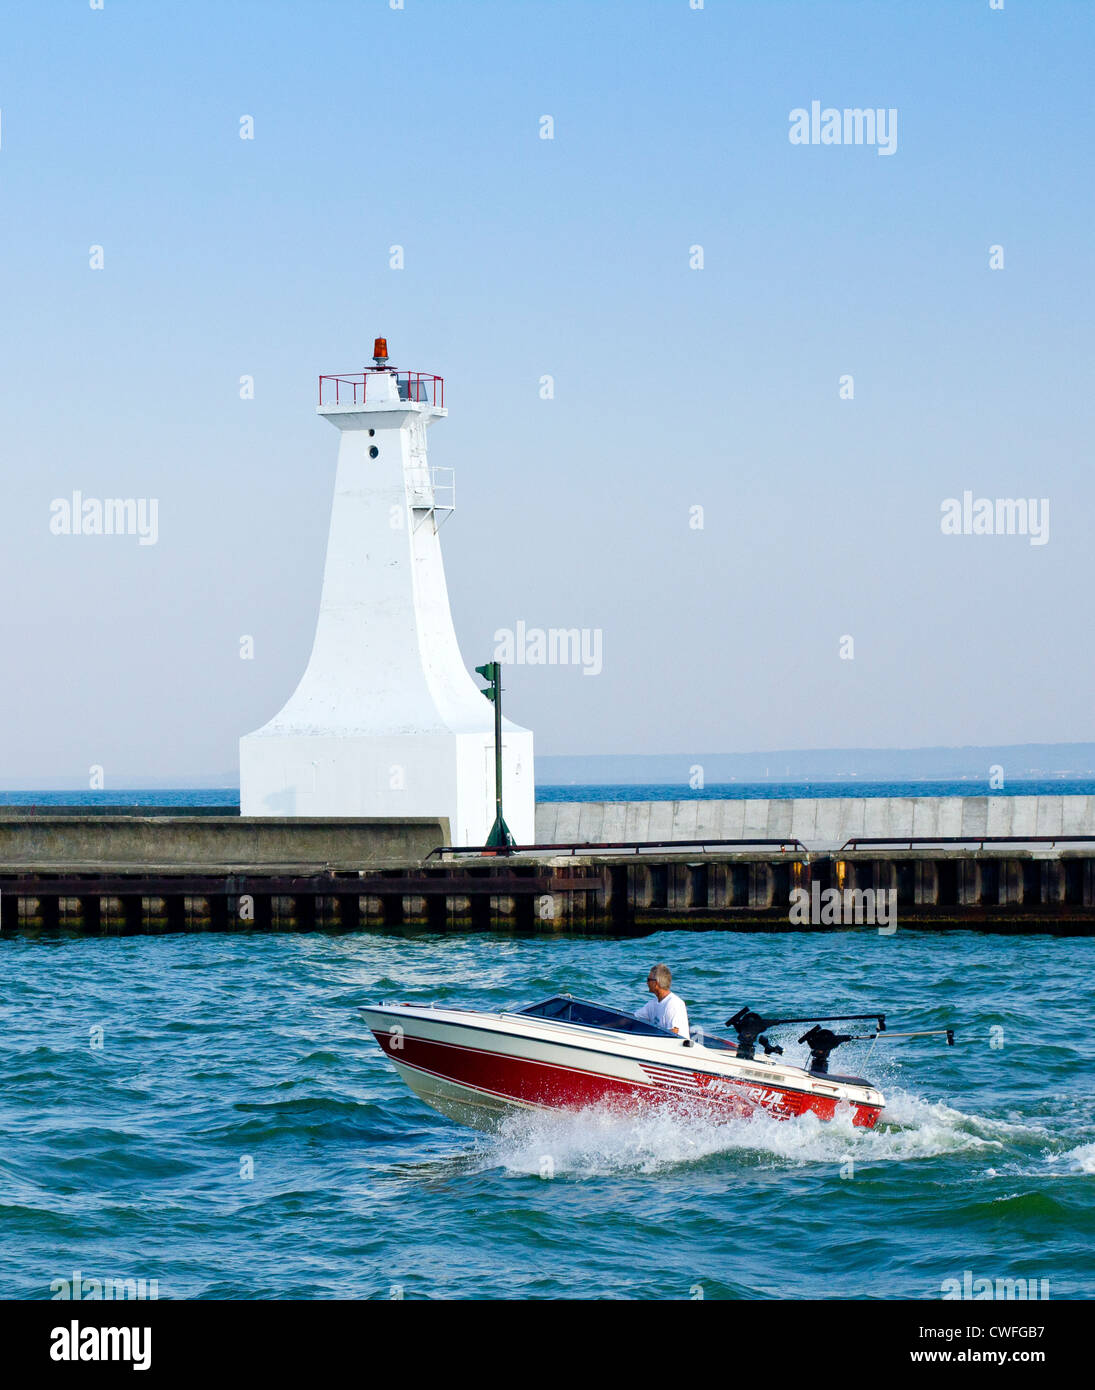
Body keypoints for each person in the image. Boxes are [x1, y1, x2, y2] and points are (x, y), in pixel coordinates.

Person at [634, 964, 689, 1036]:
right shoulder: (652, 1003)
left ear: (656, 983)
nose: (646, 983)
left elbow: (674, 1032)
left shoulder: (674, 1004)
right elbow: (635, 1017)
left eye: (648, 980)